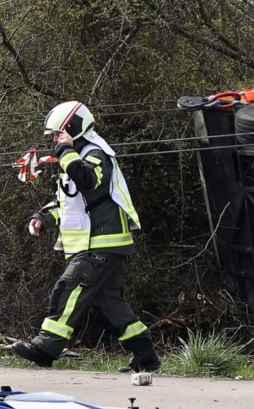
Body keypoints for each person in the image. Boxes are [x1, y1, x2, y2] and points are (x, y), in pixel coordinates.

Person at [10, 101, 160, 373]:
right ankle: (145, 355)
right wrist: (42, 218)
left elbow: (88, 180)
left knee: (67, 289)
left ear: (73, 127)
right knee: (109, 303)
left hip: (102, 243)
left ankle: (46, 347)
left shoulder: (96, 153)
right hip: (90, 244)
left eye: (59, 134)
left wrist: (66, 150)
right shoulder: (73, 157)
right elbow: (66, 201)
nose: (55, 140)